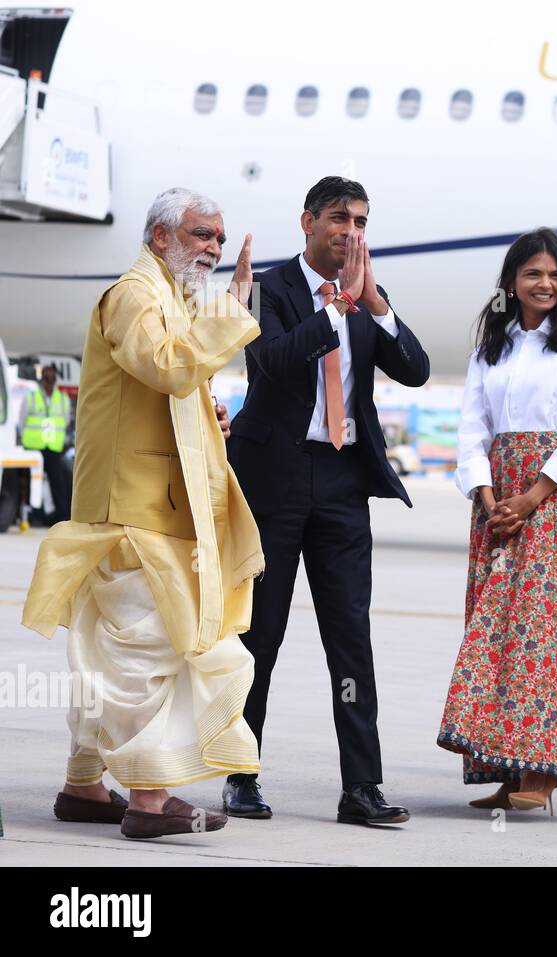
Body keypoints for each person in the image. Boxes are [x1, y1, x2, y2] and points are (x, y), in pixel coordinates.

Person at [21, 187, 263, 840]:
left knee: (105, 654)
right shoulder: (135, 294)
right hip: (130, 511)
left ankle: (83, 784)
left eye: (218, 238)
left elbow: (168, 385)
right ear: (160, 238)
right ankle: (150, 801)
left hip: (138, 507)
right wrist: (232, 312)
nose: (212, 248)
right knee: (146, 655)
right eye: (199, 235)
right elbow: (164, 367)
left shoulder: (169, 300)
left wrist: (206, 414)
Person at [223, 176, 430, 826]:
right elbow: (271, 362)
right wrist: (337, 311)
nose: (352, 231)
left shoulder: (366, 292)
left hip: (341, 481)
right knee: (261, 633)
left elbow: (416, 368)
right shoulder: (267, 287)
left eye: (362, 220)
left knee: (351, 637)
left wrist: (377, 309)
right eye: (340, 218)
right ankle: (239, 770)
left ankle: (361, 786)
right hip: (274, 478)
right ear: (308, 221)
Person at [438, 227, 557, 814]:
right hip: (496, 505)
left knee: (543, 633)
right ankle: (506, 766)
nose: (544, 284)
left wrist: (530, 498)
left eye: (554, 275)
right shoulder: (488, 351)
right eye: (532, 274)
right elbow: (472, 431)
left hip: (552, 503)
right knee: (497, 636)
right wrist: (487, 493)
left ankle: (544, 770)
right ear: (512, 283)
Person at [17, 364, 74, 524]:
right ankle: (34, 515)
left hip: (53, 448)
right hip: (34, 447)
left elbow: (66, 422)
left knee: (58, 482)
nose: (50, 382)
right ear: (42, 379)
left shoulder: (62, 399)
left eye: (53, 379)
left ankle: (62, 516)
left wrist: (64, 442)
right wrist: (23, 440)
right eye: (47, 378)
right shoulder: (31, 397)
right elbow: (22, 421)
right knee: (32, 481)